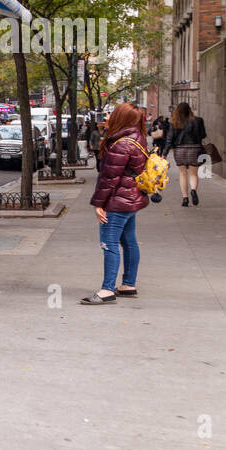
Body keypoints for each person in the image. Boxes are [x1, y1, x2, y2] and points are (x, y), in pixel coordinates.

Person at [82, 103, 150, 305]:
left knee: (109, 243)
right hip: (130, 199)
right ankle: (128, 284)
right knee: (129, 241)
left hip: (118, 201)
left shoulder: (121, 144)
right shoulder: (138, 138)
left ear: (122, 118)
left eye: (112, 113)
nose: (108, 116)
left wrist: (99, 204)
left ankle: (107, 289)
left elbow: (109, 178)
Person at [165, 102, 207, 206]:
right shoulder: (198, 120)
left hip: (180, 150)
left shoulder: (174, 122)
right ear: (189, 110)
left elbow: (169, 139)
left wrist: (164, 154)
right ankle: (193, 190)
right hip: (195, 149)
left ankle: (185, 198)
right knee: (193, 174)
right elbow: (203, 135)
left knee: (182, 174)